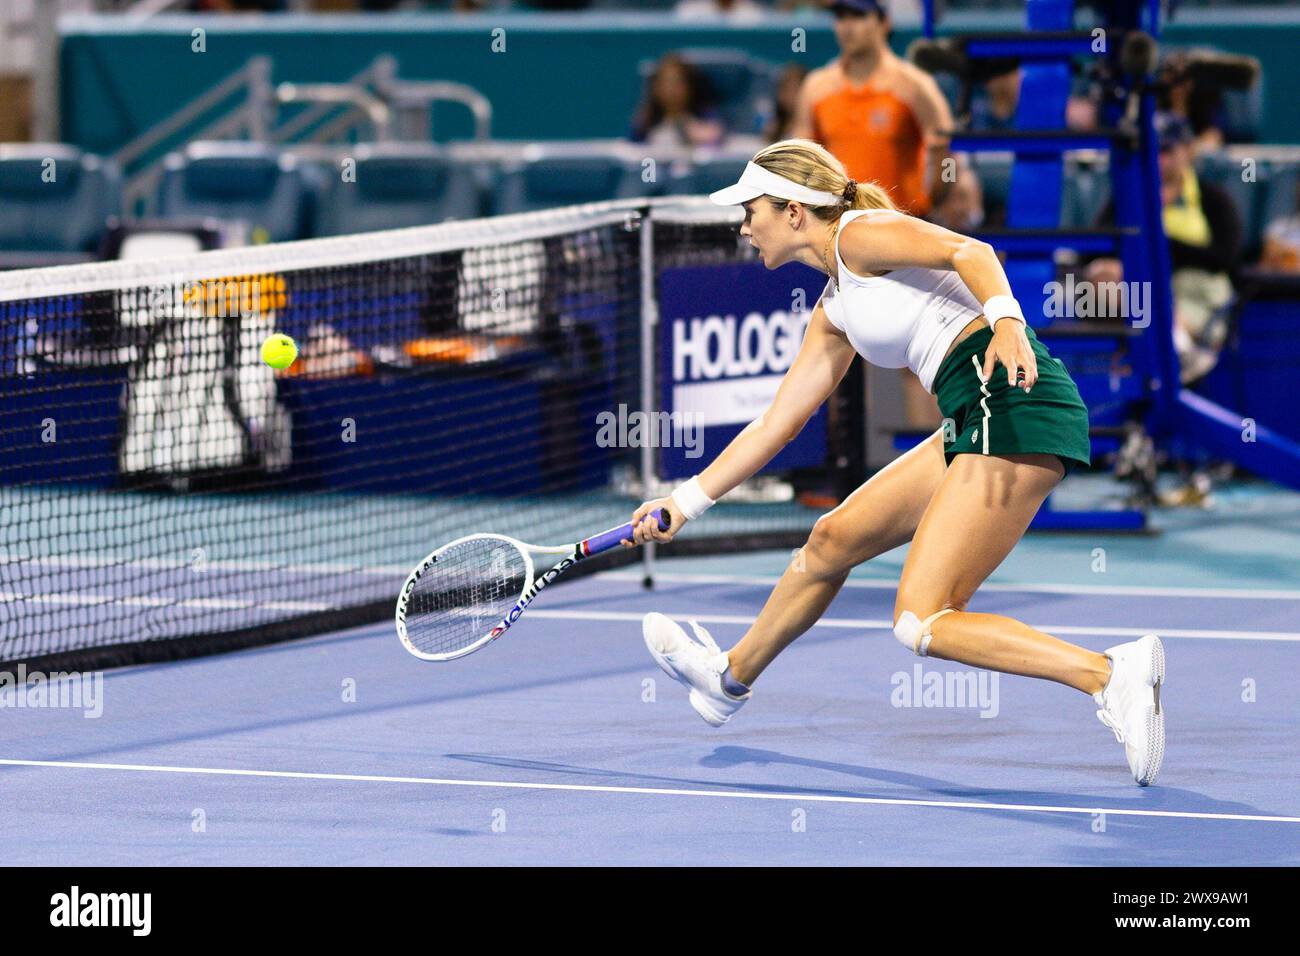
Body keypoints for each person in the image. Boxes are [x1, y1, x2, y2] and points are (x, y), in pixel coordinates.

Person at [622, 139, 1166, 788]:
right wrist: (682, 503)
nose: (742, 227)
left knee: (922, 618)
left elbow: (972, 251)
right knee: (831, 540)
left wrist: (1010, 322)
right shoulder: (833, 308)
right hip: (970, 414)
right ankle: (728, 678)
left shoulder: (859, 235)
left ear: (795, 211)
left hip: (1010, 396)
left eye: (752, 210)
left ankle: (1109, 674)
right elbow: (779, 423)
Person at [628, 53, 727, 149]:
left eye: (677, 83)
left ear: (690, 86)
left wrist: (698, 134)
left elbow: (717, 142)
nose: (671, 90)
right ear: (655, 87)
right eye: (665, 83)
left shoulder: (706, 117)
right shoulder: (644, 123)